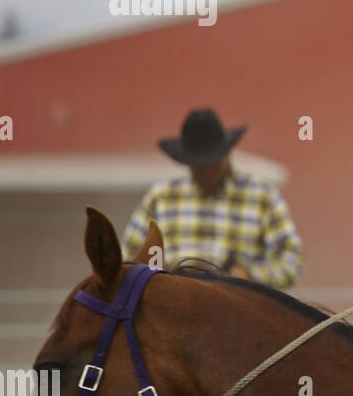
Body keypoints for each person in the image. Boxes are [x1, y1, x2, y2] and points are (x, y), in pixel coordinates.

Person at [120, 107, 304, 289]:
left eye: (212, 162)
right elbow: (129, 257)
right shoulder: (161, 196)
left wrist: (250, 274)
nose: (207, 171)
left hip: (239, 307)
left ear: (226, 153)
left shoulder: (261, 195)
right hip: (172, 306)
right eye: (200, 164)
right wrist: (158, 278)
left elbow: (290, 259)